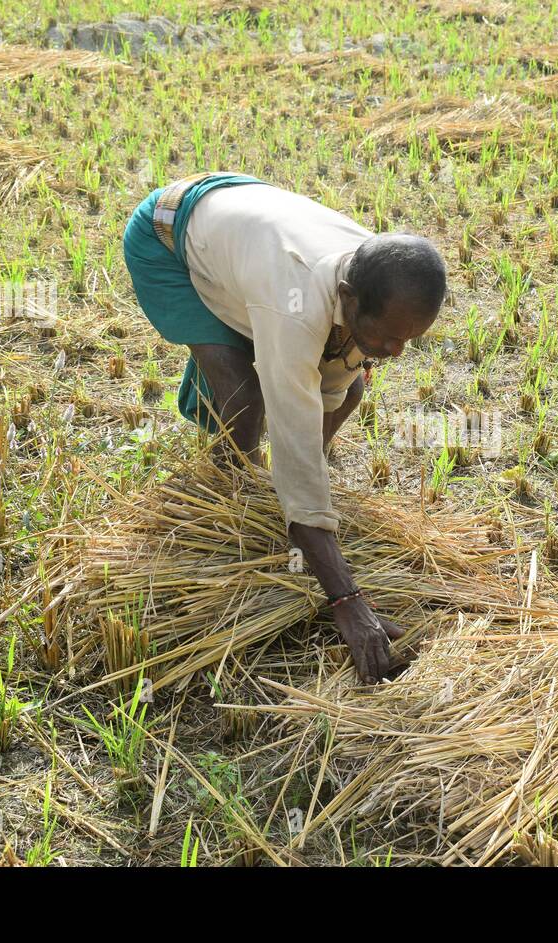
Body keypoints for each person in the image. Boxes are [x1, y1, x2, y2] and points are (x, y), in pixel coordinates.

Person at [122, 172, 447, 682]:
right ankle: (227, 499)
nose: (394, 352)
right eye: (385, 337)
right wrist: (347, 600)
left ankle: (274, 505)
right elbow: (296, 436)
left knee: (349, 391)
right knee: (243, 397)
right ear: (349, 299)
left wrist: (301, 490)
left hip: (245, 228)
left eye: (408, 340)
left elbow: (332, 388)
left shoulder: (379, 274)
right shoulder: (296, 306)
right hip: (170, 235)